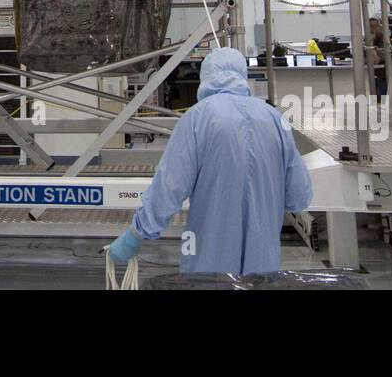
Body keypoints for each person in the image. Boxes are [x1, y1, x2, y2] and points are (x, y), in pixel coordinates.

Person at [107, 47, 313, 275]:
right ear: (242, 76)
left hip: (210, 260)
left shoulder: (197, 118)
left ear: (205, 77)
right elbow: (299, 193)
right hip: (263, 260)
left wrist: (136, 233)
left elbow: (170, 186)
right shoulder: (274, 118)